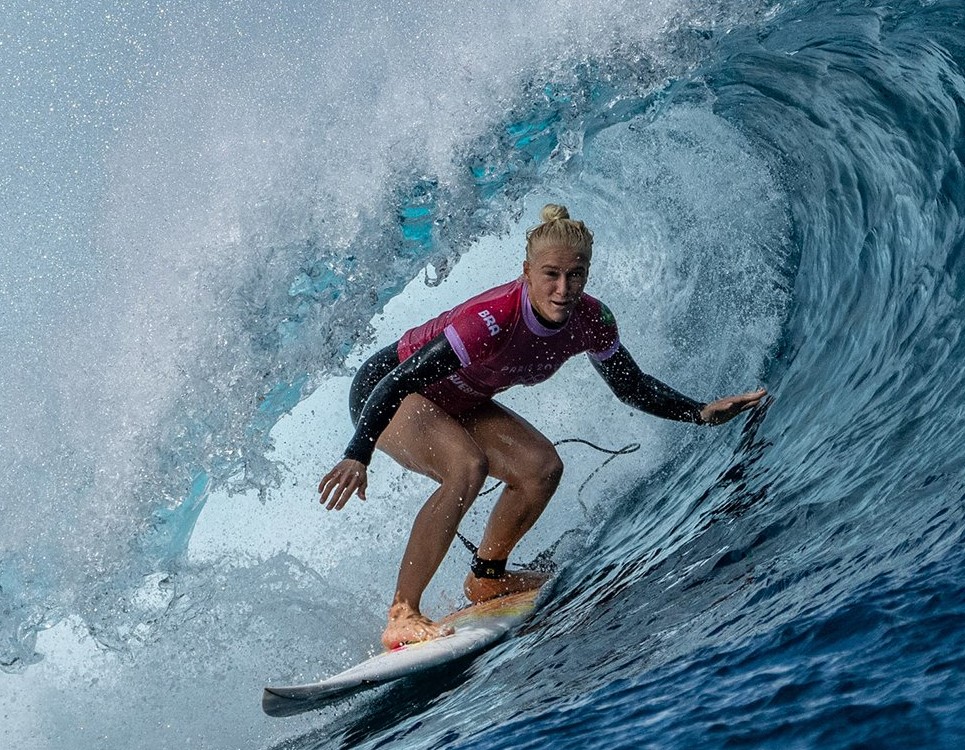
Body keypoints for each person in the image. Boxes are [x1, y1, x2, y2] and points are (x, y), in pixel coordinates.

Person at [318, 204, 767, 649]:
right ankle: (403, 613)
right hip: (388, 390)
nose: (562, 288)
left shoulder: (593, 320)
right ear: (526, 272)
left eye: (576, 275)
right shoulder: (490, 320)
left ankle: (487, 578)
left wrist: (700, 412)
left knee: (540, 467)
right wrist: (359, 452)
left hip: (459, 399)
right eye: (551, 274)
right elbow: (400, 379)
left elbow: (630, 386)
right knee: (467, 466)